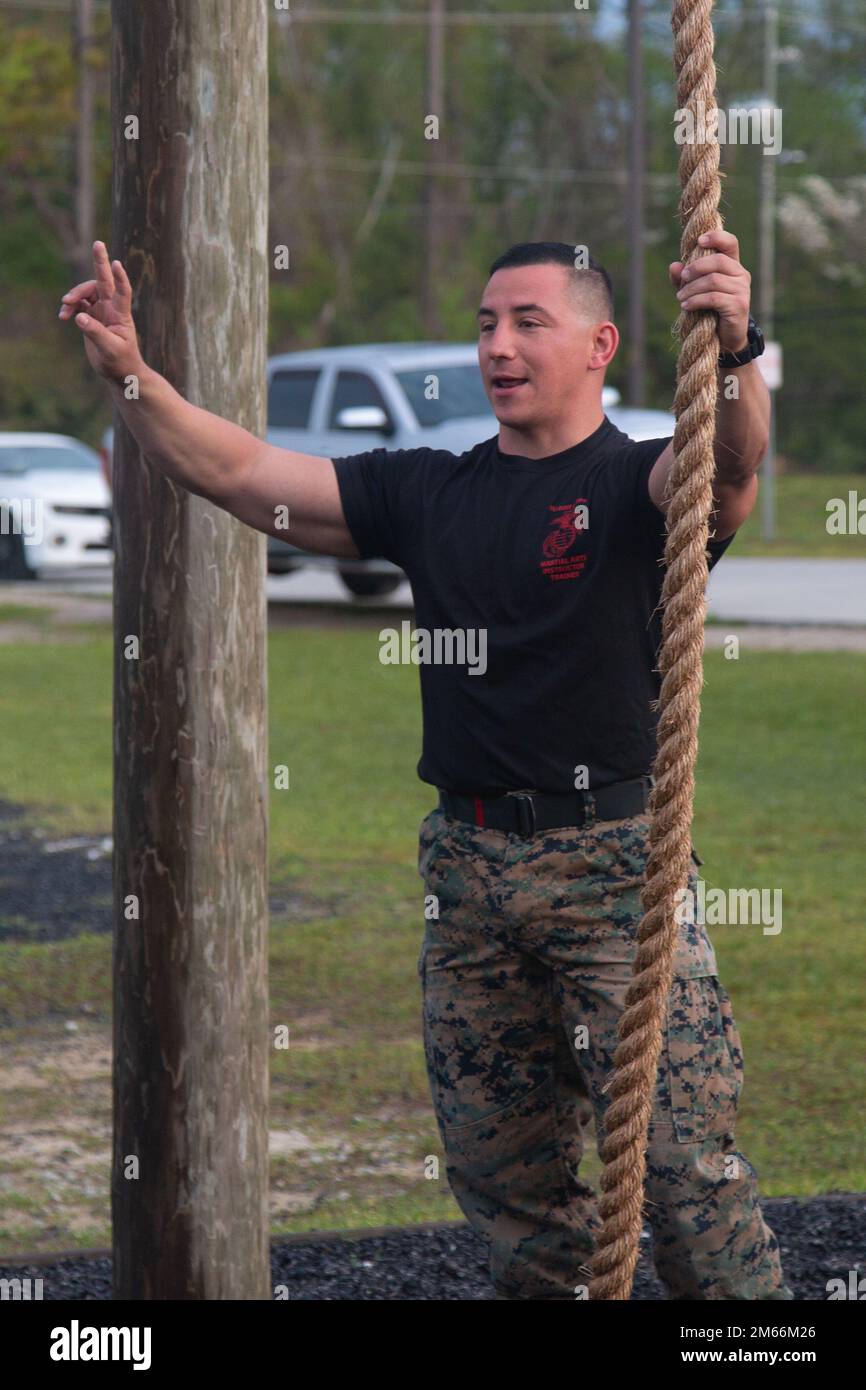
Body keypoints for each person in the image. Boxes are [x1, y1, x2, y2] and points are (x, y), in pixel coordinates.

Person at [60, 234, 793, 1301]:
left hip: (614, 877)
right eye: (486, 323)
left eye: (526, 322)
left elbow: (727, 469)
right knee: (510, 1190)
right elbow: (230, 471)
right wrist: (130, 371)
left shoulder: (634, 485)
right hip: (470, 880)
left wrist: (734, 348)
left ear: (599, 345)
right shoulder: (428, 492)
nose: (497, 344)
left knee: (684, 1176)